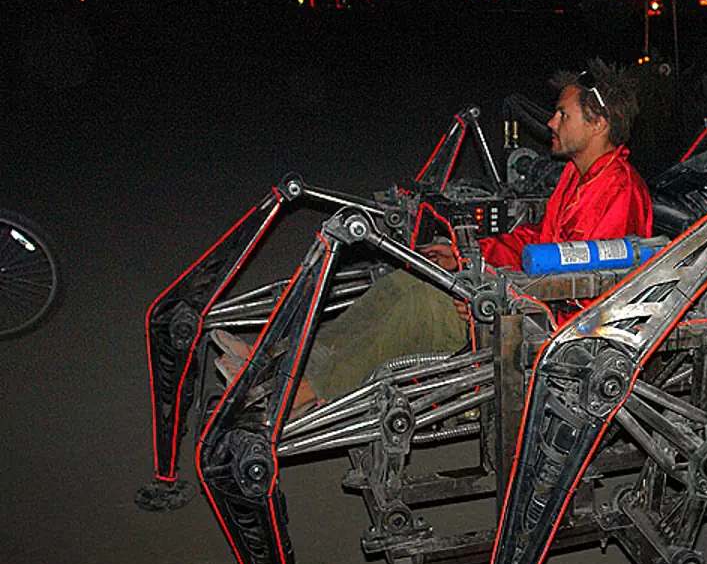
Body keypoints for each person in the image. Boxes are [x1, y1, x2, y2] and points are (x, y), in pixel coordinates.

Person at [214, 60, 653, 410]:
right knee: (406, 280)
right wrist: (464, 256)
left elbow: (592, 293)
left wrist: (503, 301)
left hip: (546, 327)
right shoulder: (578, 179)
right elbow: (536, 243)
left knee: (421, 306)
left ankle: (300, 392)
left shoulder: (617, 190)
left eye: (563, 114)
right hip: (521, 297)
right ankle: (275, 361)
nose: (552, 123)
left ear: (598, 125)